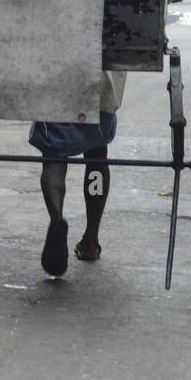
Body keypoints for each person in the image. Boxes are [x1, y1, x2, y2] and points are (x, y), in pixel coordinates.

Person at [29, 71, 124, 277]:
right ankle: (91, 240)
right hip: (100, 83)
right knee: (96, 154)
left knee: (53, 155)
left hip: (55, 78)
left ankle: (56, 217)